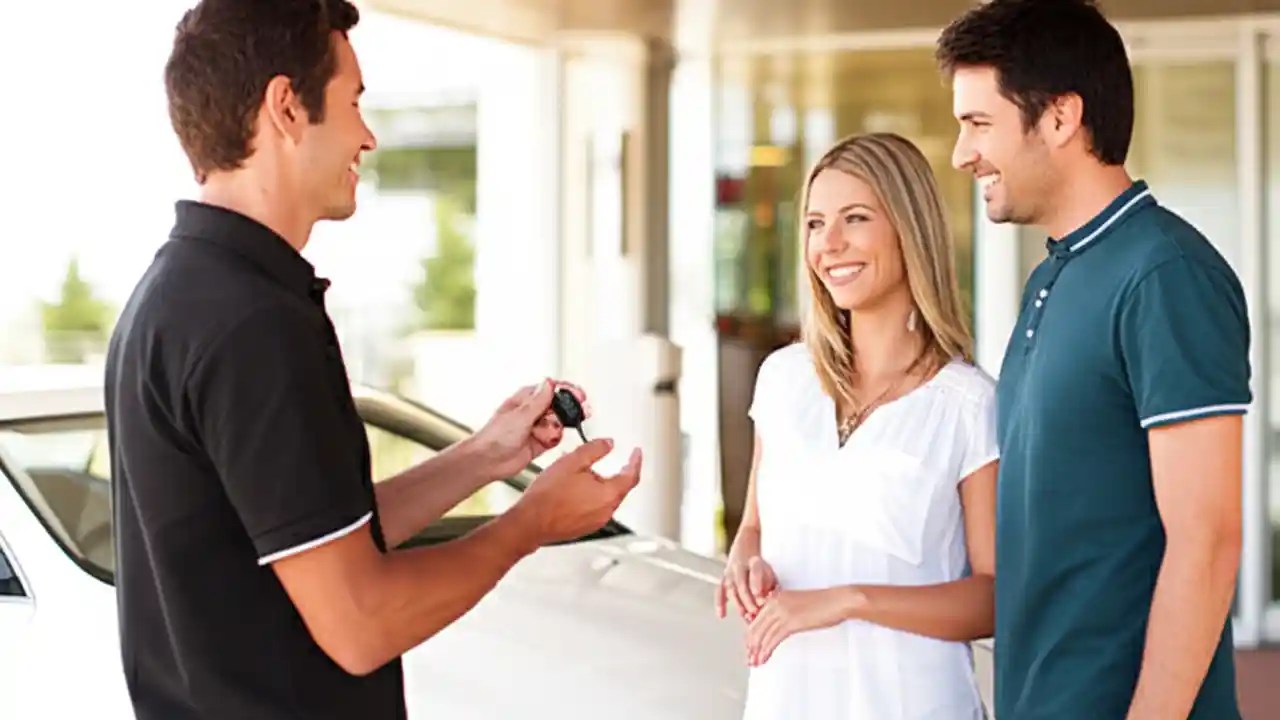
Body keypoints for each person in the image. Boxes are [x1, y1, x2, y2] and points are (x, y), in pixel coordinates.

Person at [103, 1, 642, 718]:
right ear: (287, 107)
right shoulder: (252, 324)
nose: (368, 134)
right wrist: (531, 523)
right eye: (353, 102)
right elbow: (361, 623)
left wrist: (486, 455)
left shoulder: (175, 297)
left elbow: (311, 531)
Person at [936, 1, 1251, 718]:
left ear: (1059, 117)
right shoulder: (1054, 276)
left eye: (978, 123)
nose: (962, 153)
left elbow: (1206, 541)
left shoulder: (1163, 276)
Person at [715, 132, 1000, 719]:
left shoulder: (969, 404)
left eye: (856, 218)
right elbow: (754, 529)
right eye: (816, 224)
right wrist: (744, 561)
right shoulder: (783, 380)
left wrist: (848, 600)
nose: (831, 243)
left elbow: (997, 598)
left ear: (908, 229)